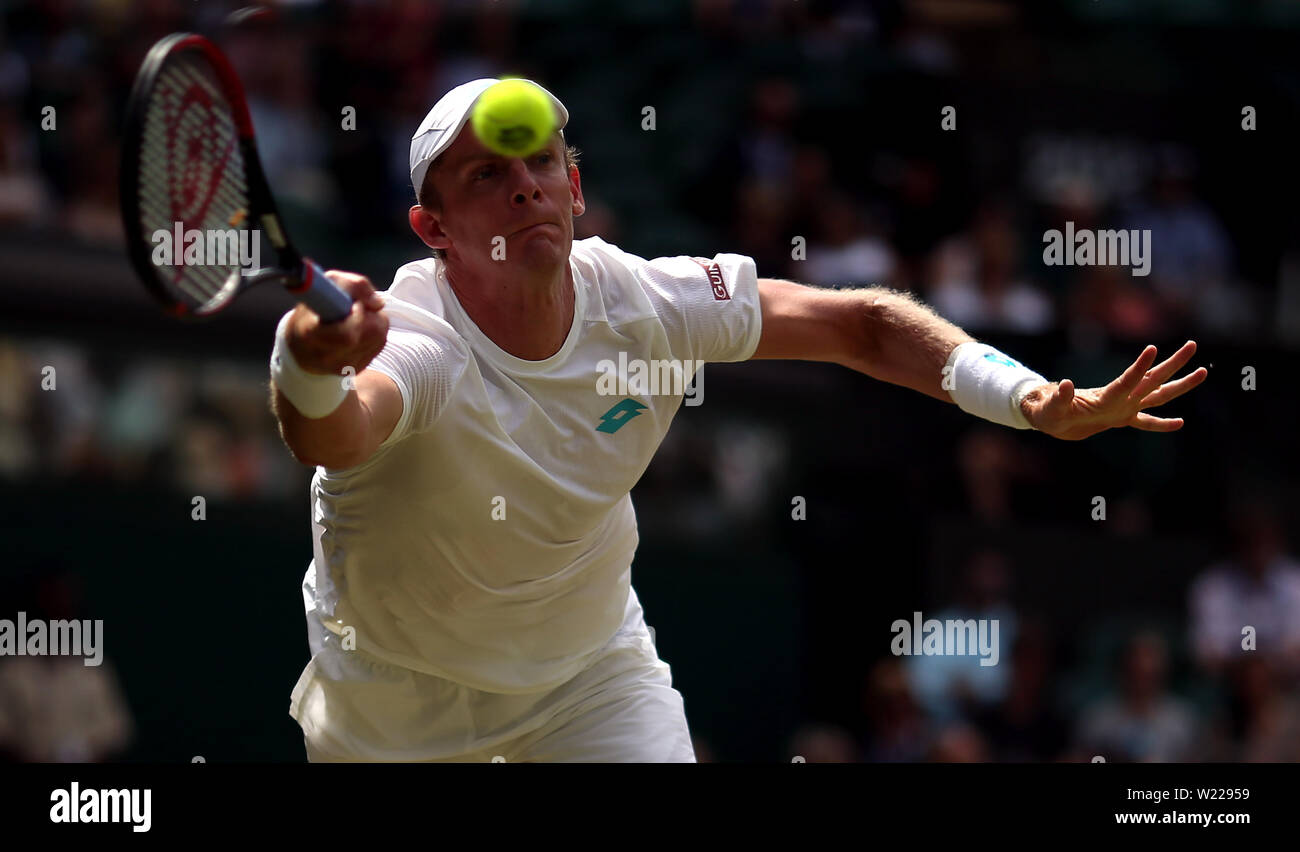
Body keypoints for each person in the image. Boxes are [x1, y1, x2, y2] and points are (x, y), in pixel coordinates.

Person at [269, 78, 1207, 762]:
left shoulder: (653, 303)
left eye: (542, 161)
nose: (525, 185)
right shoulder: (424, 343)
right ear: (433, 230)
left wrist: (1033, 400)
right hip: (393, 713)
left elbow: (862, 324)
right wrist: (307, 368)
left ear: (575, 187)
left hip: (586, 686)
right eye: (484, 175)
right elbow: (334, 436)